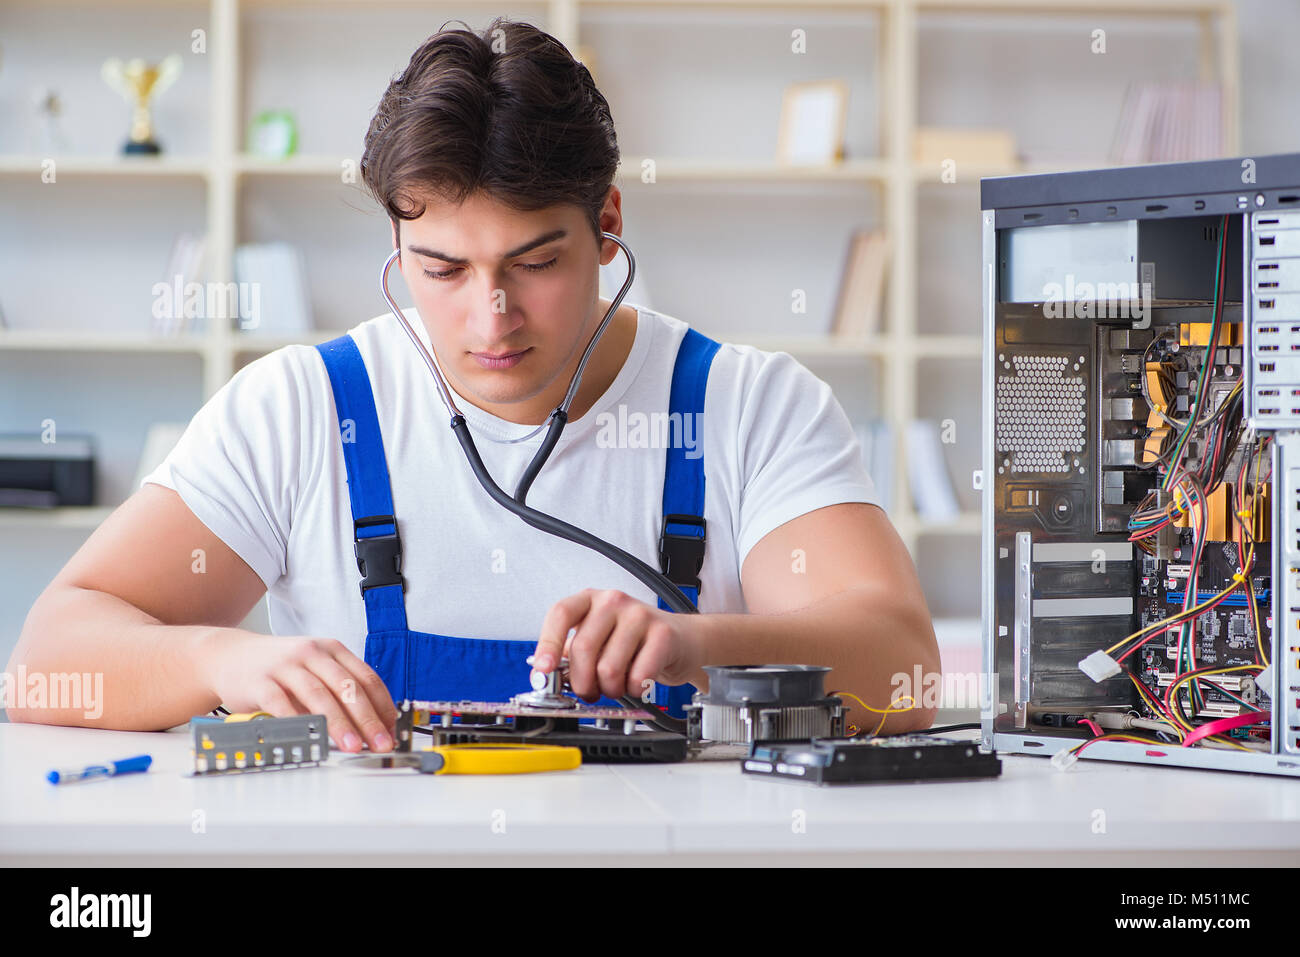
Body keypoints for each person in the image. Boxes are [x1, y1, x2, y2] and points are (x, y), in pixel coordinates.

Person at [6, 17, 940, 751]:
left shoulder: (748, 407)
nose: (491, 318)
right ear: (396, 246)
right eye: (443, 269)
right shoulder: (300, 409)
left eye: (535, 262)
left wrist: (696, 645)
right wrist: (218, 655)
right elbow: (48, 660)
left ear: (607, 223)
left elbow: (906, 669)